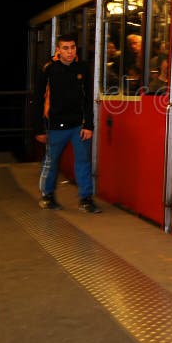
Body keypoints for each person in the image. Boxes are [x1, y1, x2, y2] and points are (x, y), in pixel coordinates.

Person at [31, 33, 101, 214]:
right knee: (51, 162)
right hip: (54, 126)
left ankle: (86, 200)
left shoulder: (83, 68)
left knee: (83, 162)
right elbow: (37, 100)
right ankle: (47, 197)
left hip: (78, 125)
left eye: (72, 48)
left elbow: (88, 99)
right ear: (58, 50)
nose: (69, 52)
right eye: (65, 48)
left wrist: (89, 125)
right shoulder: (48, 69)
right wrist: (38, 128)